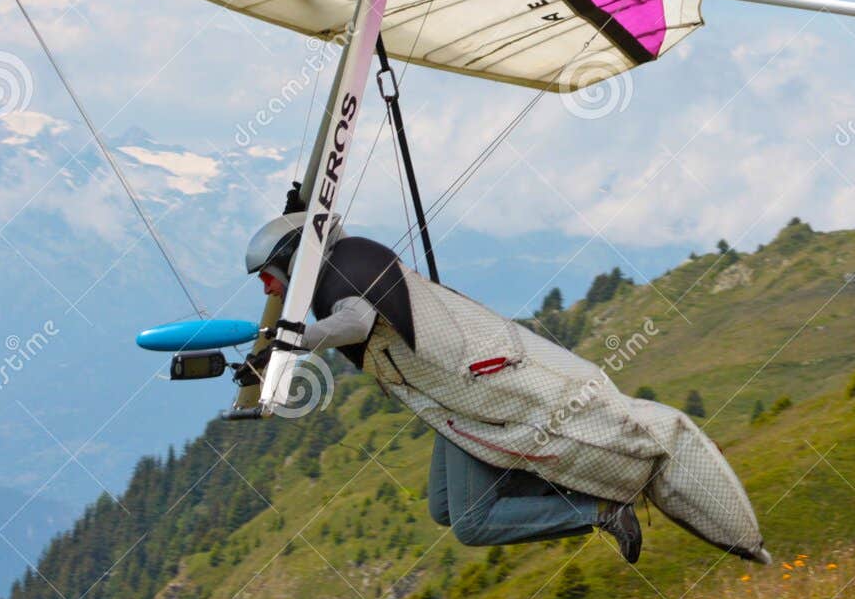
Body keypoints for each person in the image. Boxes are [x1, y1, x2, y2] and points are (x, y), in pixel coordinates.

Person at [242, 213, 644, 562]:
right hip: (450, 395)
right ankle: (587, 484)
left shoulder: (346, 269)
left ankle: (602, 509)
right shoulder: (341, 265)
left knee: (472, 523)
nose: (267, 290)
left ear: (290, 260)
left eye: (267, 277)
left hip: (467, 390)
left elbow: (356, 323)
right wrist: (280, 347)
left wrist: (293, 338)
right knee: (444, 507)